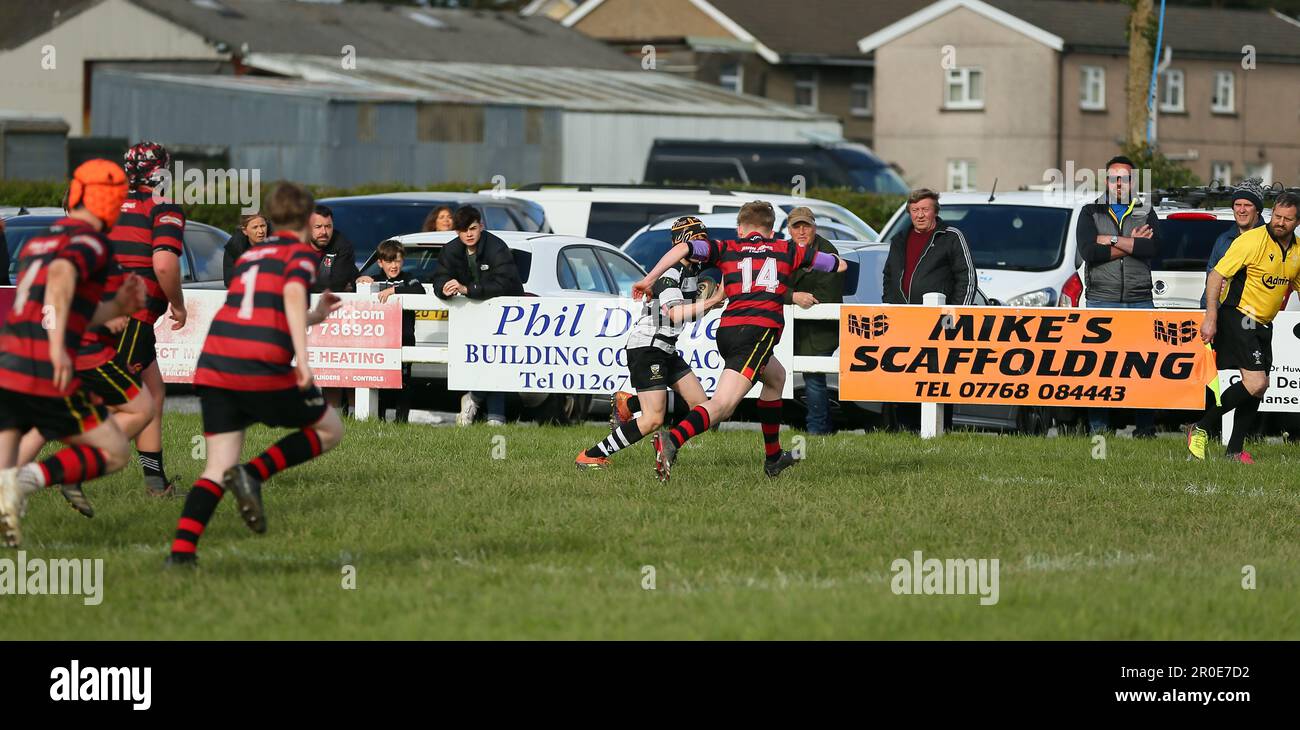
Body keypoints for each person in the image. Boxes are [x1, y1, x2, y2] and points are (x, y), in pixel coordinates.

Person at [167, 182, 345, 567]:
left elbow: (267, 306)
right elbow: (293, 298)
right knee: (330, 429)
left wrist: (317, 316)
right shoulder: (300, 256)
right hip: (259, 364)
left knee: (216, 467)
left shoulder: (251, 255)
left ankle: (181, 555)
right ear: (308, 217)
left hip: (216, 363)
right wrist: (302, 359)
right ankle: (254, 473)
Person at [634, 201, 846, 483]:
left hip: (729, 331)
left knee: (776, 378)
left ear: (739, 228)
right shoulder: (788, 250)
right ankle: (672, 440)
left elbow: (683, 248)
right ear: (772, 231)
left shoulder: (727, 248)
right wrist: (826, 262)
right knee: (723, 405)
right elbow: (838, 265)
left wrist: (649, 280)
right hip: (757, 333)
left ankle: (773, 458)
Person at [0, 160, 147, 547]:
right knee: (114, 450)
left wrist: (114, 309)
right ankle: (25, 482)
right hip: (45, 363)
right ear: (114, 203)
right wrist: (56, 347)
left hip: (9, 357)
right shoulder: (91, 241)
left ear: (78, 192)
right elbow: (63, 276)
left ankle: (8, 494)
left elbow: (60, 302)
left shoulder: (39, 239)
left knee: (10, 445)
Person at [576, 216, 726, 470]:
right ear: (682, 241)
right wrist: (712, 301)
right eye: (697, 239)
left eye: (704, 239)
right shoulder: (669, 274)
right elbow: (675, 314)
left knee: (703, 407)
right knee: (653, 419)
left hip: (666, 348)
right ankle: (591, 455)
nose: (703, 246)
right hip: (647, 348)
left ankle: (629, 403)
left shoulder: (692, 271)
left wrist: (710, 304)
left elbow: (688, 313)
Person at [1189, 192, 1300, 464]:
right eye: (1276, 216)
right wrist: (1211, 317)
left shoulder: (1297, 251)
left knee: (1258, 388)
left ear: (1297, 222)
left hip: (1263, 323)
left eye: (1287, 219)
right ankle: (1201, 426)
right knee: (1256, 381)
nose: (1280, 222)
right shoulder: (1251, 241)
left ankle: (1234, 451)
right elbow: (1216, 275)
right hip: (1238, 316)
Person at [111, 141, 188, 495]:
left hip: (101, 310)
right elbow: (164, 263)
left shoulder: (107, 203)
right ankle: (68, 469)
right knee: (128, 403)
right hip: (132, 314)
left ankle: (155, 484)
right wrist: (178, 303)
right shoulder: (161, 206)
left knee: (154, 392)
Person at [1076, 156, 1161, 437]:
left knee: (1143, 367)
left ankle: (1145, 429)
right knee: (1101, 368)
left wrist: (1109, 240)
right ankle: (1099, 430)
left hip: (1140, 299)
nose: (1119, 184)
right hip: (1102, 298)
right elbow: (1089, 253)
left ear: (1132, 181)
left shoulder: (1145, 210)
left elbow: (1153, 250)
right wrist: (1132, 244)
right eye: (1114, 178)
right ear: (1106, 181)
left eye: (1124, 178)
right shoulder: (1090, 212)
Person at [432, 206, 524, 426]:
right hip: (469, 317)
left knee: (496, 360)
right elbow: (439, 277)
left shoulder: (497, 247)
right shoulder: (451, 250)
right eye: (463, 230)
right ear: (457, 232)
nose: (469, 234)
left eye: (473, 228)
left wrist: (468, 289)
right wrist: (443, 288)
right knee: (480, 361)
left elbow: (505, 283)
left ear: (481, 226)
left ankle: (485, 408)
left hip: (503, 317)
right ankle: (489, 413)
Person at [784, 207, 844, 435]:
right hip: (789, 327)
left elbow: (825, 294)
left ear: (814, 227)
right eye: (796, 226)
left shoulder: (828, 252)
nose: (801, 231)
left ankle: (817, 429)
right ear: (789, 230)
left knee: (813, 377)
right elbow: (772, 285)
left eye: (805, 226)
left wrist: (791, 295)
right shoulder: (784, 250)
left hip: (820, 329)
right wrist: (794, 297)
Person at [356, 240, 424, 423]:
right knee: (381, 379)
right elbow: (357, 290)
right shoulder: (375, 280)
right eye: (389, 261)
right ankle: (379, 419)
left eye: (398, 261)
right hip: (381, 340)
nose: (394, 265)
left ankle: (401, 420)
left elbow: (420, 290)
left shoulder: (408, 278)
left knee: (404, 381)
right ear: (380, 263)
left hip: (405, 337)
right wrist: (361, 282)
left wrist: (394, 290)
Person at [881, 188, 975, 306]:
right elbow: (889, 277)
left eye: (925, 210)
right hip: (901, 316)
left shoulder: (951, 237)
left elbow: (967, 278)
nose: (920, 215)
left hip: (939, 318)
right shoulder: (898, 240)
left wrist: (954, 314)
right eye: (915, 210)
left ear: (935, 212)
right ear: (909, 213)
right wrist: (890, 307)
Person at [1201, 179, 1267, 308]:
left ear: (1257, 209)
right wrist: (1206, 311)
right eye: (1237, 204)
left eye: (1247, 205)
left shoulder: (1270, 239)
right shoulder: (1223, 240)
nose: (1241, 210)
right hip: (1224, 315)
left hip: (1256, 315)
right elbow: (1210, 281)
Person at [308, 204, 359, 294]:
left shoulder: (342, 245)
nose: (323, 232)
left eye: (328, 226)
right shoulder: (296, 245)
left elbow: (337, 284)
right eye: (318, 227)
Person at [223, 213, 268, 287]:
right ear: (245, 231)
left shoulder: (276, 239)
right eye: (255, 227)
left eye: (263, 226)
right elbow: (229, 282)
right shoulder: (234, 247)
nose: (261, 231)